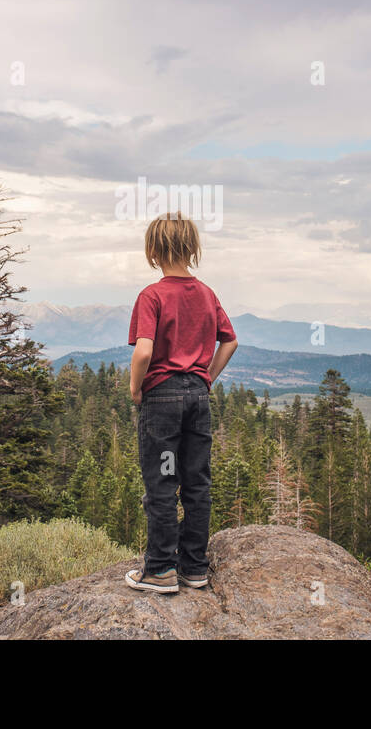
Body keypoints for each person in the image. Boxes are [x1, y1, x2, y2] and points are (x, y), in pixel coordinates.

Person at [124, 213, 238, 594]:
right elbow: (230, 342)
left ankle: (159, 570)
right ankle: (194, 568)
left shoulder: (152, 296)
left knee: (161, 483)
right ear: (192, 248)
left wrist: (136, 388)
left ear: (153, 251)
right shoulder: (206, 294)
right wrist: (206, 376)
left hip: (162, 398)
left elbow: (144, 351)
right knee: (196, 484)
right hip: (196, 397)